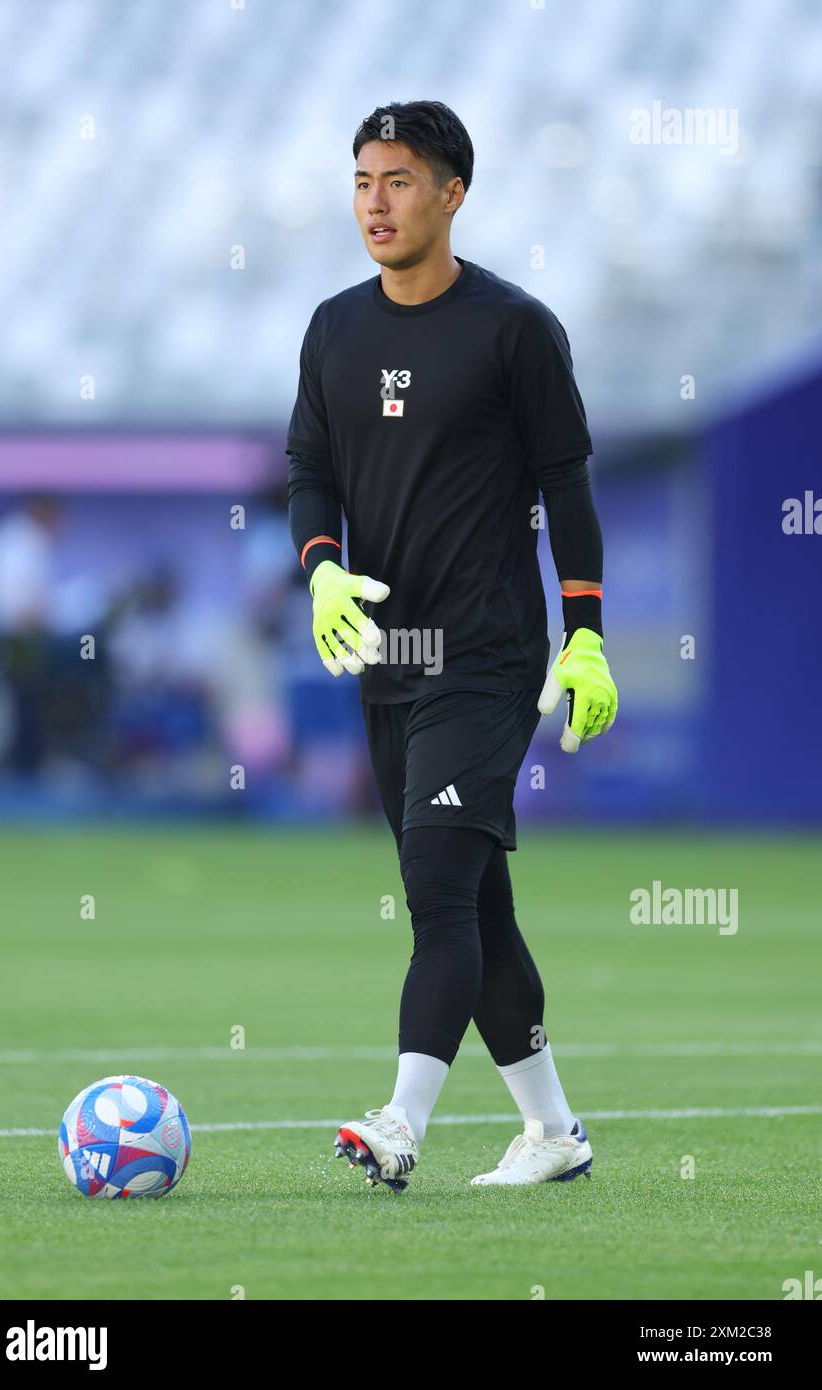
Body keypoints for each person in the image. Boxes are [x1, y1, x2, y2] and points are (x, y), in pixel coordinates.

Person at [286, 100, 617, 1192]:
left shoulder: (513, 328)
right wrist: (322, 565)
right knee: (475, 909)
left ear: (451, 194)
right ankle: (553, 1133)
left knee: (434, 889)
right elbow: (308, 471)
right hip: (385, 658)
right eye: (362, 181)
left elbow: (566, 484)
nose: (374, 201)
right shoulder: (334, 326)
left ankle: (400, 1123)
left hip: (483, 655)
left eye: (397, 180)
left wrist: (584, 639)